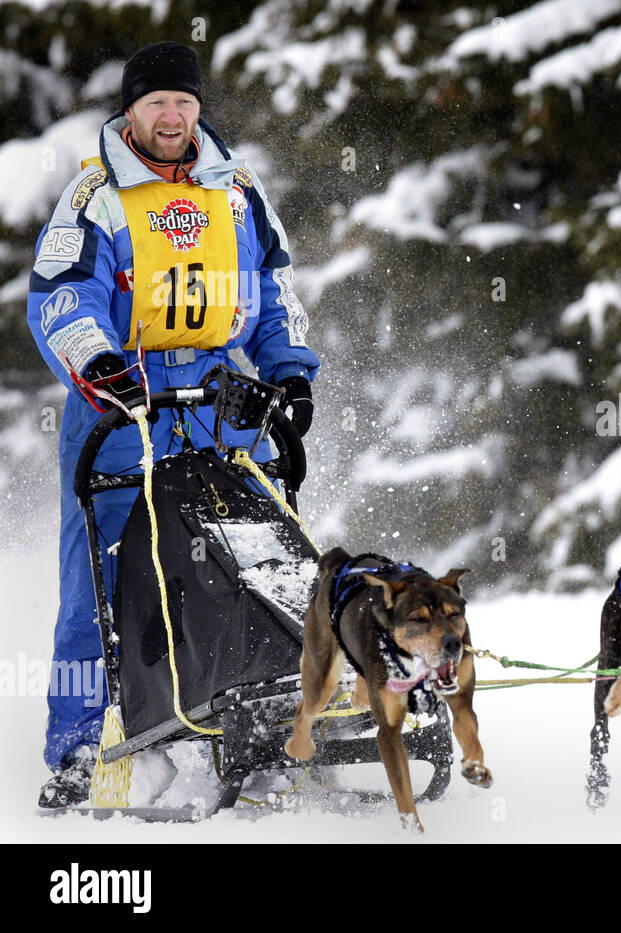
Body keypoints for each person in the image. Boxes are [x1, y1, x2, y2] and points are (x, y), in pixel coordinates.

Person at [26, 42, 320, 807]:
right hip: (124, 409)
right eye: (156, 103)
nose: (171, 117)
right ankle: (81, 746)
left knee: (245, 560)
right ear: (130, 110)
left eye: (183, 103)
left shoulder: (236, 189)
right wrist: (97, 365)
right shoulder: (96, 196)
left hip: (221, 407)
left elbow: (273, 281)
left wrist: (288, 368)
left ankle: (255, 724)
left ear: (198, 110)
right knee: (102, 577)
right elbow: (60, 293)